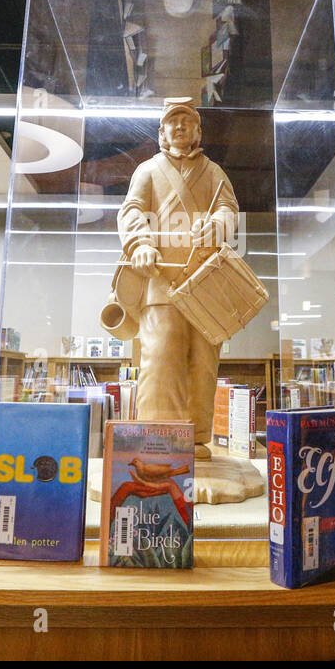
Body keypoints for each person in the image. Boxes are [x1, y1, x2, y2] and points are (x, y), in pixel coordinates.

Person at [117, 98, 239, 454]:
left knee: (204, 360)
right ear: (162, 131)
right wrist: (139, 243)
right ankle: (158, 438)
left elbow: (228, 208)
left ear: (198, 130)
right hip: (161, 280)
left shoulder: (214, 171)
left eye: (188, 121)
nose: (181, 127)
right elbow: (132, 210)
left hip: (206, 282)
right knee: (161, 355)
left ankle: (195, 437)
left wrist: (218, 226)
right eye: (174, 121)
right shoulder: (147, 170)